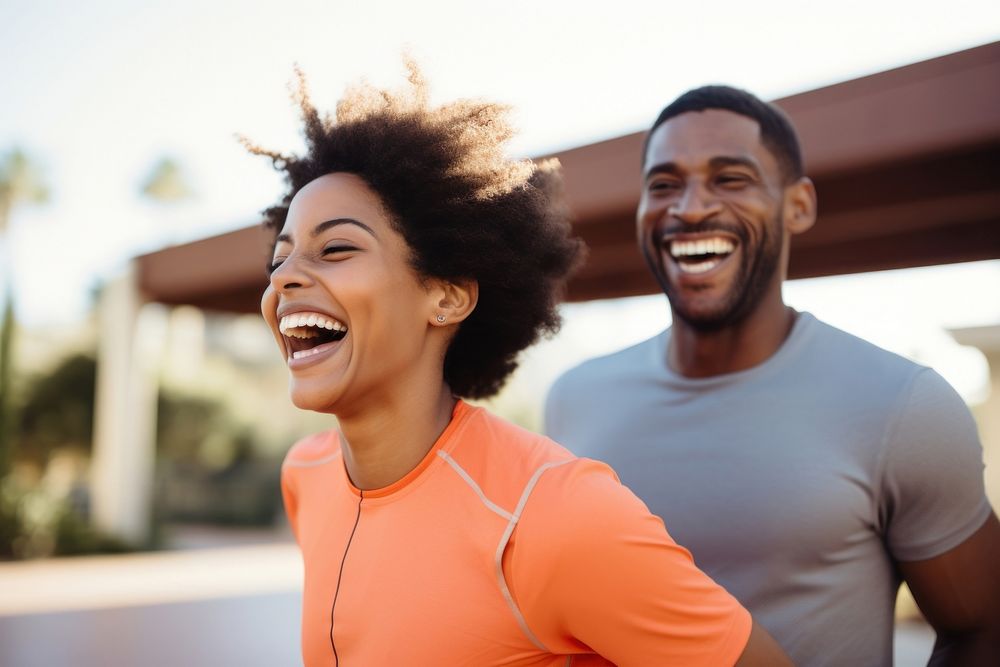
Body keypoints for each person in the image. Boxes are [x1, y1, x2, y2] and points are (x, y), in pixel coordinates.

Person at [243, 66, 790, 666]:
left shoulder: (555, 515)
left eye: (337, 247)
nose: (287, 276)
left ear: (447, 296)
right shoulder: (306, 475)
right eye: (280, 257)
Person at [545, 85, 1000, 665]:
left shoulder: (901, 404)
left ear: (798, 205)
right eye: (663, 185)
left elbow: (983, 630)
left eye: (730, 178)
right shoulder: (575, 398)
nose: (689, 208)